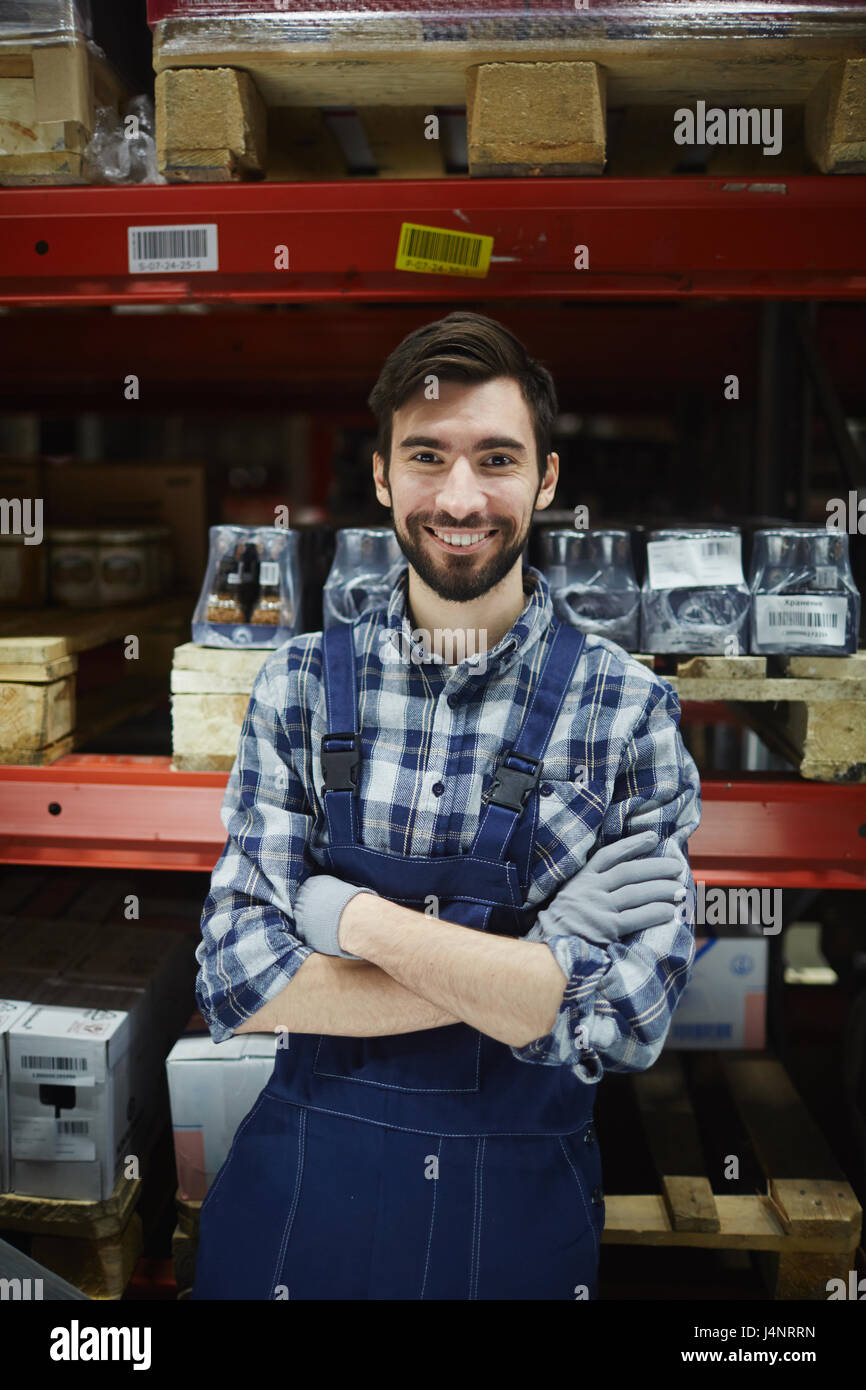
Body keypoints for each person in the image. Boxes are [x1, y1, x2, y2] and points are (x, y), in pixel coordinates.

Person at [192, 310, 701, 1301]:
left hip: (512, 1233)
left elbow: (630, 1014)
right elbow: (240, 976)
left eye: (496, 458)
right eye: (427, 456)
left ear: (546, 480)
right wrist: (535, 972)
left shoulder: (625, 709)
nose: (460, 497)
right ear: (381, 476)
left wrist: (350, 917)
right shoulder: (295, 686)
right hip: (298, 1219)